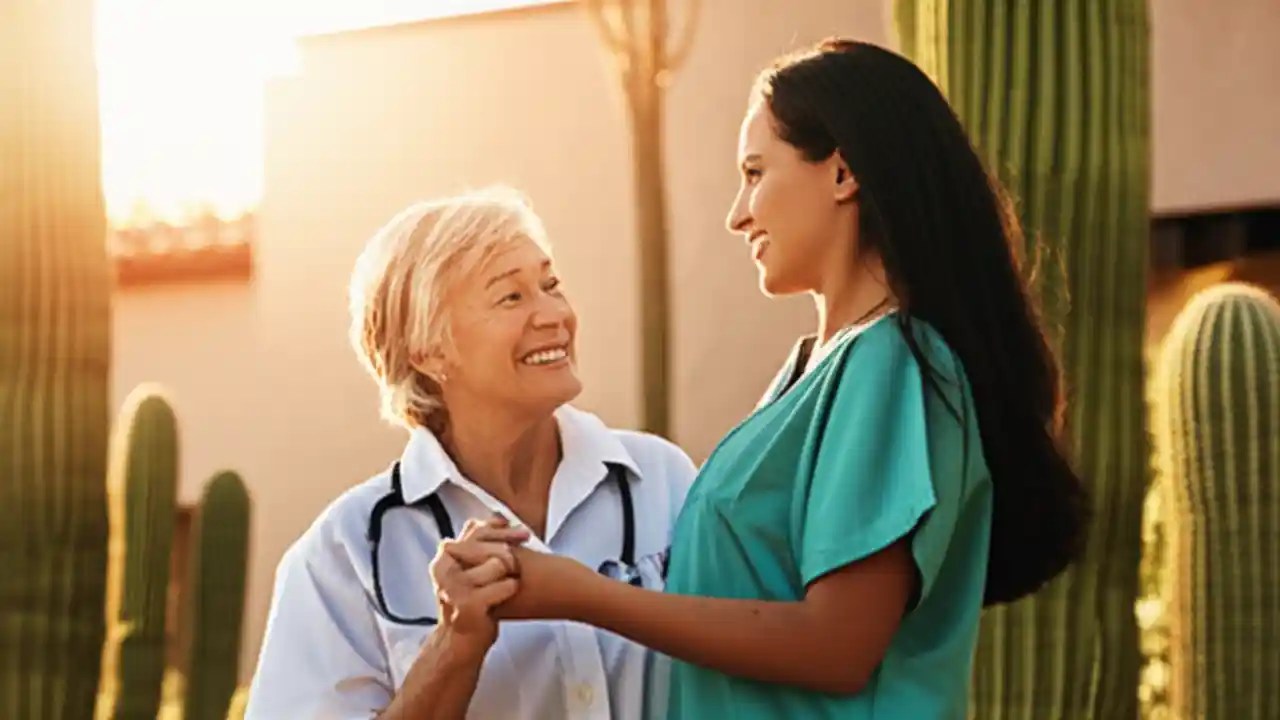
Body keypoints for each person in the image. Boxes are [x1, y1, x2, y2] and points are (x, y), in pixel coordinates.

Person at [442, 39, 1091, 719]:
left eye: (756, 172)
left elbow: (838, 646)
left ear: (842, 172)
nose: (738, 213)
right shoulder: (813, 370)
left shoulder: (890, 364)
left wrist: (580, 594)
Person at [244, 186, 697, 720]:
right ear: (429, 349)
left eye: (551, 285)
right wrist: (454, 648)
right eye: (512, 297)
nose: (554, 314)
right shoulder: (345, 553)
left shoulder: (664, 480)